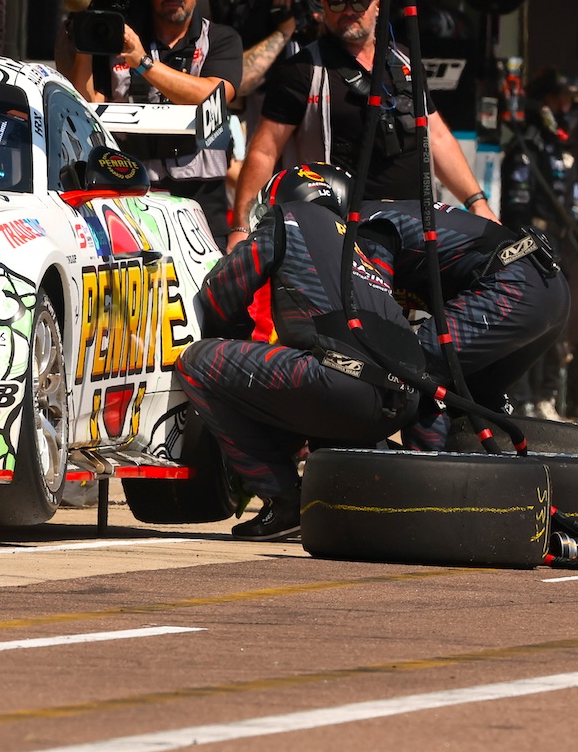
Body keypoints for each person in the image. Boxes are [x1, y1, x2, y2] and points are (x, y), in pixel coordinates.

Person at [175, 164, 420, 540]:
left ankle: (284, 499)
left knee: (197, 362)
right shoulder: (360, 246)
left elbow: (221, 291)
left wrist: (229, 341)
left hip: (341, 382)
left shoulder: (287, 220)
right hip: (403, 398)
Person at [232, 0, 493, 252]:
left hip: (412, 230)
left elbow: (437, 137)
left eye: (358, 2)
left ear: (377, 5)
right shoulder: (304, 70)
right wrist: (242, 229)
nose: (348, 11)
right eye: (337, 2)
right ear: (323, 8)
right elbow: (264, 151)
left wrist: (477, 203)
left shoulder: (405, 61)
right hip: (338, 234)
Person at [64, 0, 243, 245]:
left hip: (203, 200)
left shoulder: (220, 38)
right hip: (130, 194)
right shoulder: (119, 36)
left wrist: (143, 63)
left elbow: (215, 95)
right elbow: (84, 102)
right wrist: (89, 33)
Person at [357, 198, 570, 447]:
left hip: (515, 285)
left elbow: (372, 313)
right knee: (467, 404)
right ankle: (490, 480)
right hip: (549, 289)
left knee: (408, 375)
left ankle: (420, 478)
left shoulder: (365, 226)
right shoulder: (384, 214)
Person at [498, 69, 578, 417]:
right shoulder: (524, 147)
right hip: (530, 245)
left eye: (569, 103)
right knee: (530, 322)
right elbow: (516, 209)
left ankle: (548, 396)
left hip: (560, 245)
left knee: (557, 326)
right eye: (557, 101)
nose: (564, 109)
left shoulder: (562, 150)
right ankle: (524, 400)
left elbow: (574, 203)